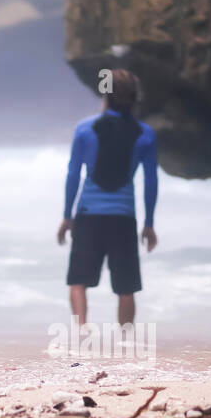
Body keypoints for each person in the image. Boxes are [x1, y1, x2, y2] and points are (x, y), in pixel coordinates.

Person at [57, 69, 158, 328]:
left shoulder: (84, 129)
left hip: (89, 215)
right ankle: (126, 344)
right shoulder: (145, 134)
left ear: (105, 96)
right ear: (135, 99)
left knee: (78, 282)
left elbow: (73, 175)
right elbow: (150, 182)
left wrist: (67, 216)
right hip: (123, 218)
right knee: (126, 289)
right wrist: (149, 224)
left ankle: (80, 334)